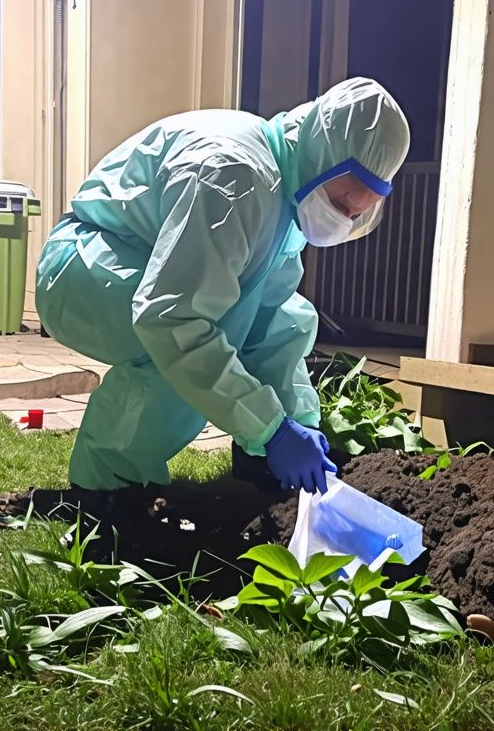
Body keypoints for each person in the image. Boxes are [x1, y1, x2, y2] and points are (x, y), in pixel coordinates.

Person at [35, 78, 410, 497]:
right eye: (340, 205)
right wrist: (270, 429)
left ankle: (260, 467)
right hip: (82, 269)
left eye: (356, 212)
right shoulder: (235, 179)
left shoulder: (289, 191)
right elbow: (173, 319)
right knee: (184, 344)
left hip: (132, 266)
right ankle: (110, 491)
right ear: (325, 155)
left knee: (275, 318)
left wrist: (297, 423)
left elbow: (273, 319)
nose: (343, 218)